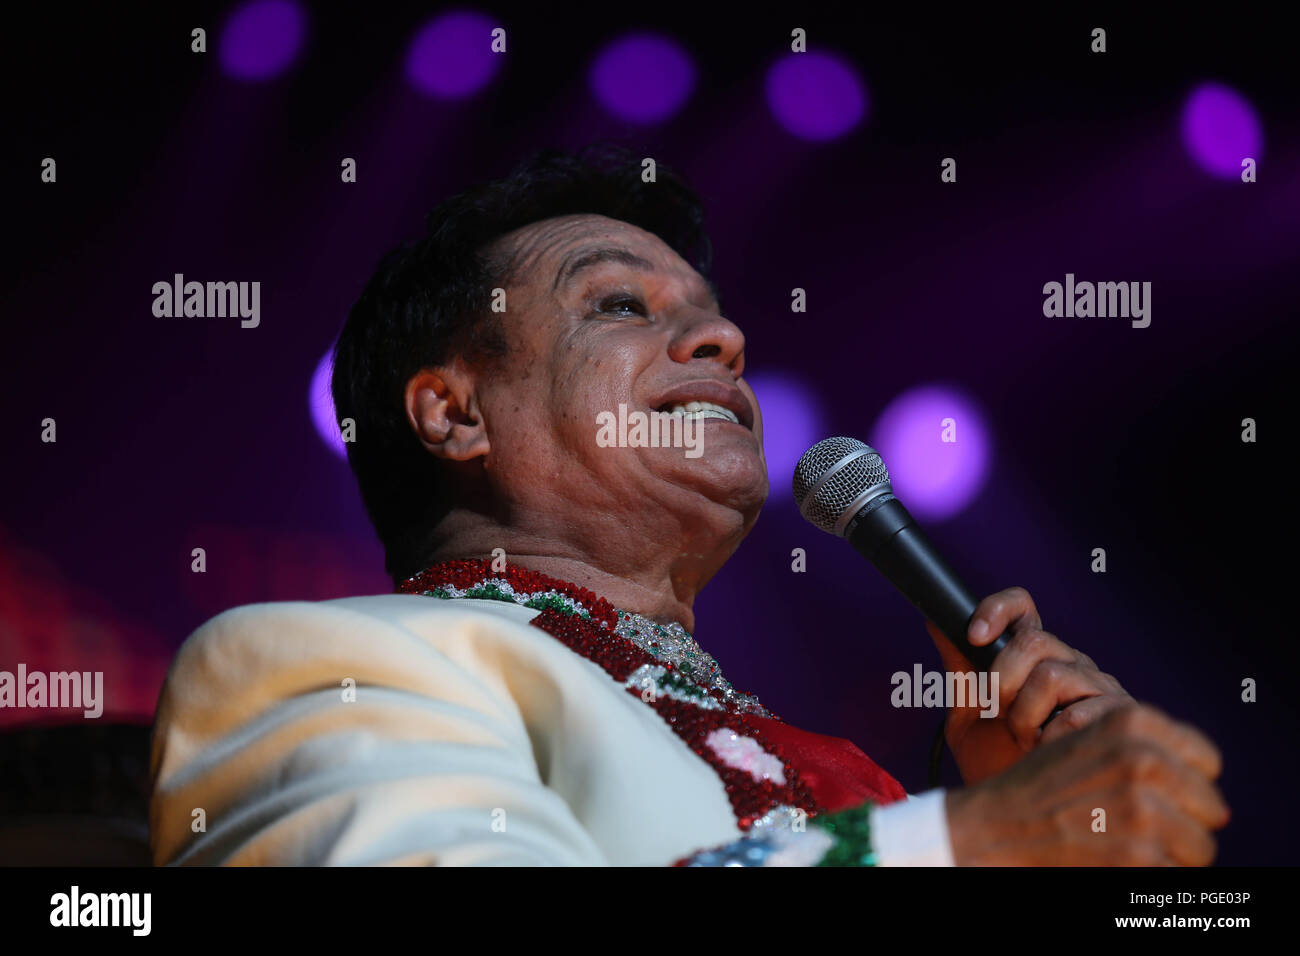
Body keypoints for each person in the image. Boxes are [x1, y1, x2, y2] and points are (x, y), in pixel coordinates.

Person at [149, 144, 1229, 866]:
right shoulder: (318, 660)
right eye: (618, 304)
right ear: (451, 413)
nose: (726, 343)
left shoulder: (851, 774)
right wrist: (967, 840)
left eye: (715, 320)